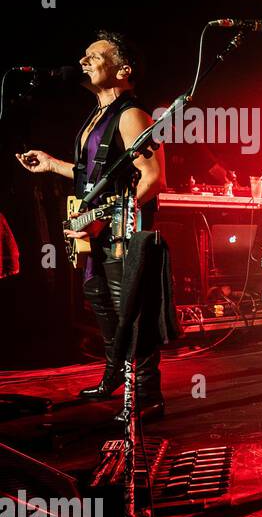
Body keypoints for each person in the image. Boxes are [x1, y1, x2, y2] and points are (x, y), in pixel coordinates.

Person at [16, 32, 166, 420]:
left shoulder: (132, 115)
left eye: (94, 56)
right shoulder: (96, 115)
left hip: (122, 236)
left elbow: (152, 177)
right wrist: (52, 164)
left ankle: (147, 395)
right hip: (95, 235)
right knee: (102, 306)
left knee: (130, 313)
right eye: (83, 54)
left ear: (123, 69)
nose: (83, 61)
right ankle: (115, 376)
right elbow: (90, 175)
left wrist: (111, 219)